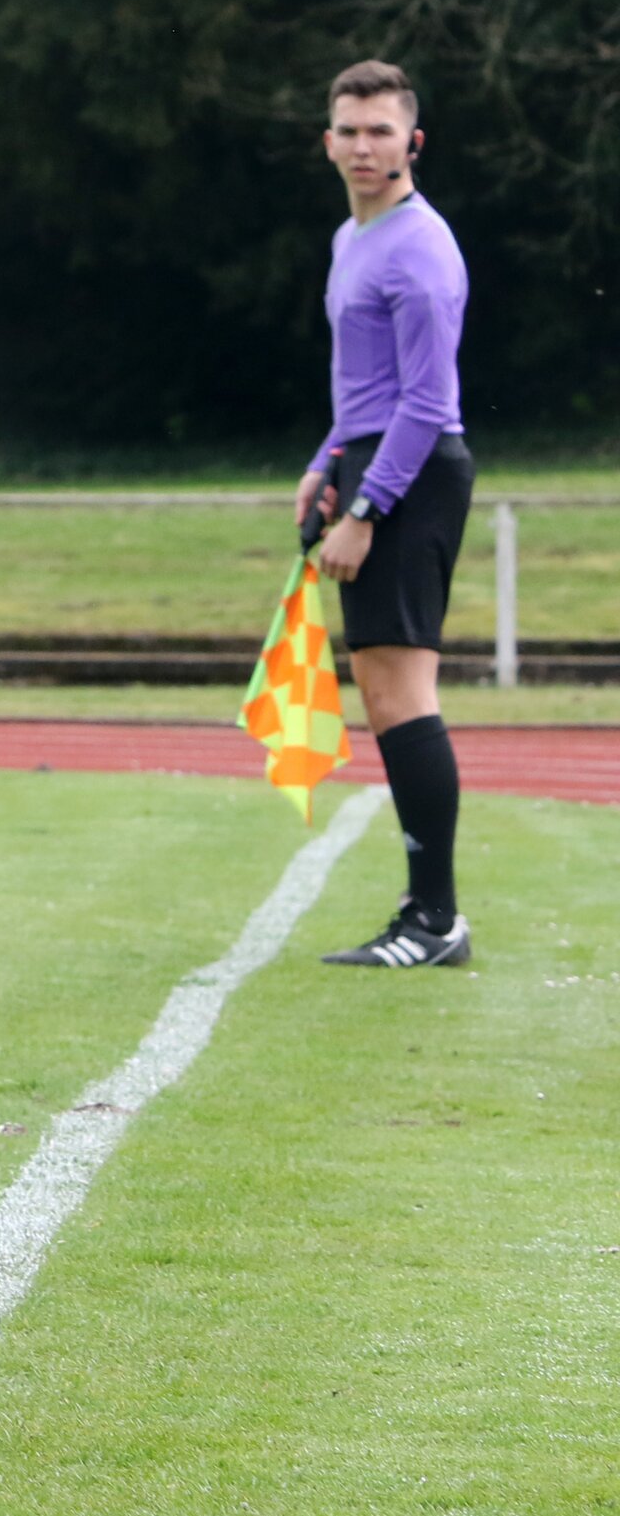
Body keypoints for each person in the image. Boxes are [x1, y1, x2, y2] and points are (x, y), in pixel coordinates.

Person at [296, 60, 477, 968]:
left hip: (412, 473)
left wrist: (366, 505)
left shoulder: (420, 248)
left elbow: (426, 401)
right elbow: (367, 391)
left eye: (381, 130)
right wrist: (327, 460)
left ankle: (435, 919)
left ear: (413, 140)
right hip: (372, 458)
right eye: (349, 129)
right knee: (382, 692)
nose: (364, 145)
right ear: (327, 139)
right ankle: (426, 910)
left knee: (404, 693)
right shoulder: (350, 237)